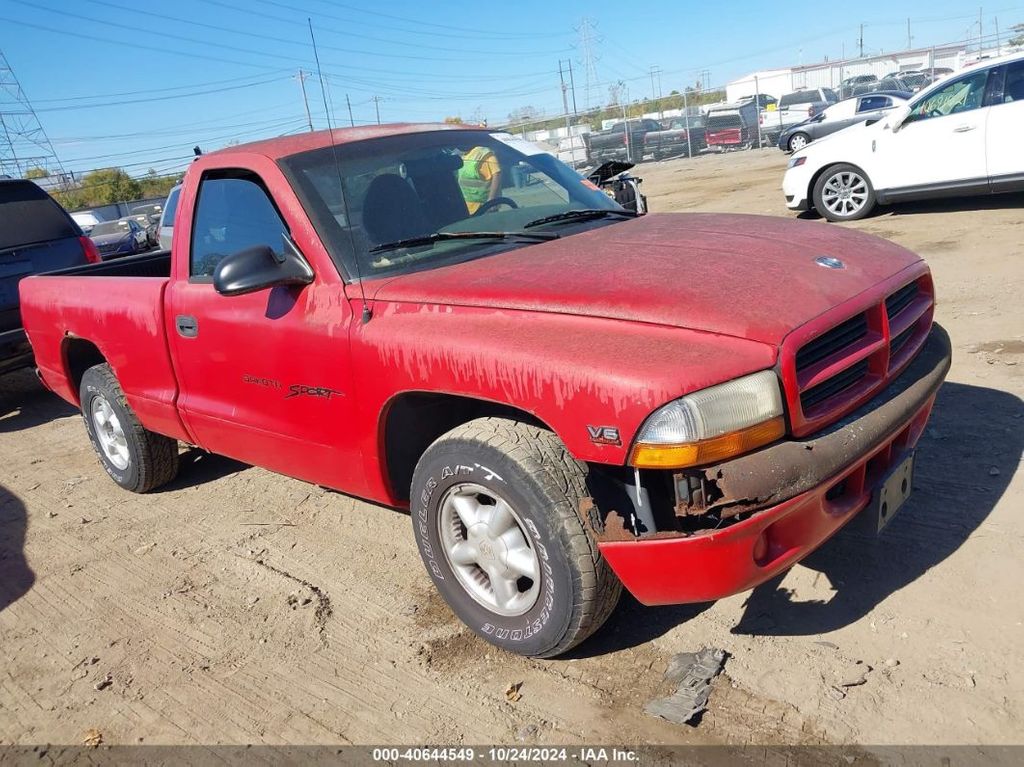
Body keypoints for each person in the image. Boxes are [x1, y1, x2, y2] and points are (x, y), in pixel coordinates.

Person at [458, 145, 502, 214]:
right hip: (467, 207)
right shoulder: (459, 155)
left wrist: (491, 200)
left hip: (484, 207)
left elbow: (497, 174)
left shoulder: (484, 154)